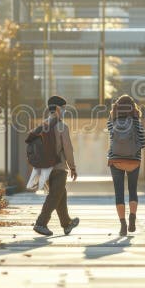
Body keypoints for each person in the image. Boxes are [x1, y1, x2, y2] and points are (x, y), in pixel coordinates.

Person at [32, 95, 80, 236]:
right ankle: (41, 223)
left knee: (60, 194)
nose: (64, 111)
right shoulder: (62, 127)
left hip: (44, 168)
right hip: (58, 168)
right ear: (58, 109)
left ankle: (67, 223)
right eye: (64, 109)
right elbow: (68, 148)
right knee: (54, 196)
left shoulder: (42, 126)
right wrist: (72, 167)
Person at [107, 95, 145, 236]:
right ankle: (132, 219)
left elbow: (112, 137)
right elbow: (142, 142)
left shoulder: (112, 120)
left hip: (115, 160)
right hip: (134, 161)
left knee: (119, 192)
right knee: (133, 190)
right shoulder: (136, 122)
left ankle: (123, 225)